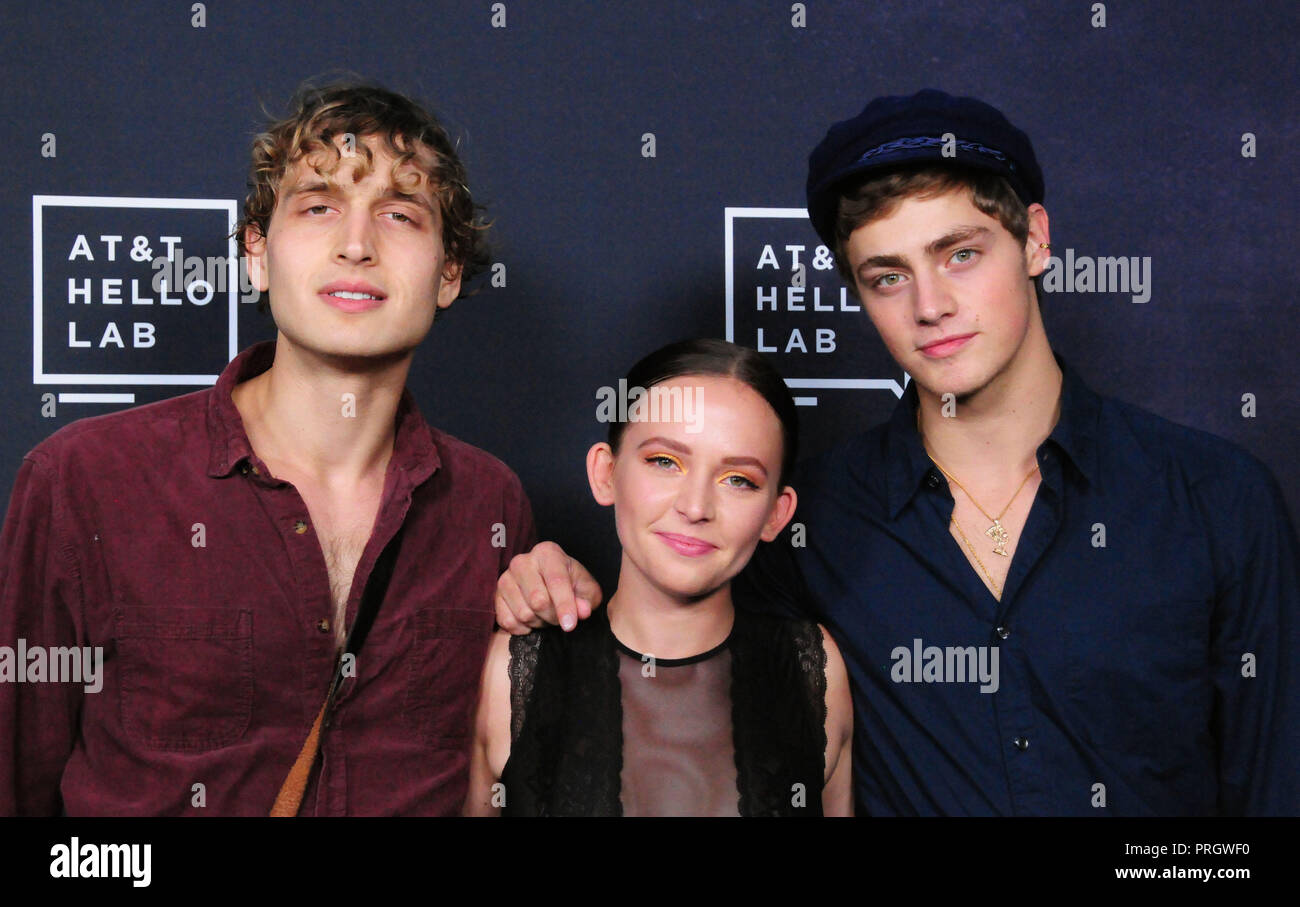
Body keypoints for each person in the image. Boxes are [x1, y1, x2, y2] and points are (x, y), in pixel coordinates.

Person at [496, 89, 1300, 815]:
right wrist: (557, 582)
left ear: (1036, 241)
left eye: (961, 253)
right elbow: (666, 637)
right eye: (887, 276)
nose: (931, 305)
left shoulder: (1215, 500)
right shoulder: (808, 526)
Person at [0, 79, 535, 815]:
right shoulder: (86, 479)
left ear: (448, 274)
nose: (356, 244)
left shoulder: (488, 502)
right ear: (256, 254)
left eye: (400, 215)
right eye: (318, 207)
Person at [465, 339, 853, 816]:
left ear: (777, 513)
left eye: (739, 480)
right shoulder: (512, 671)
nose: (694, 508)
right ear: (606, 473)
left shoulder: (811, 667)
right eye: (665, 462)